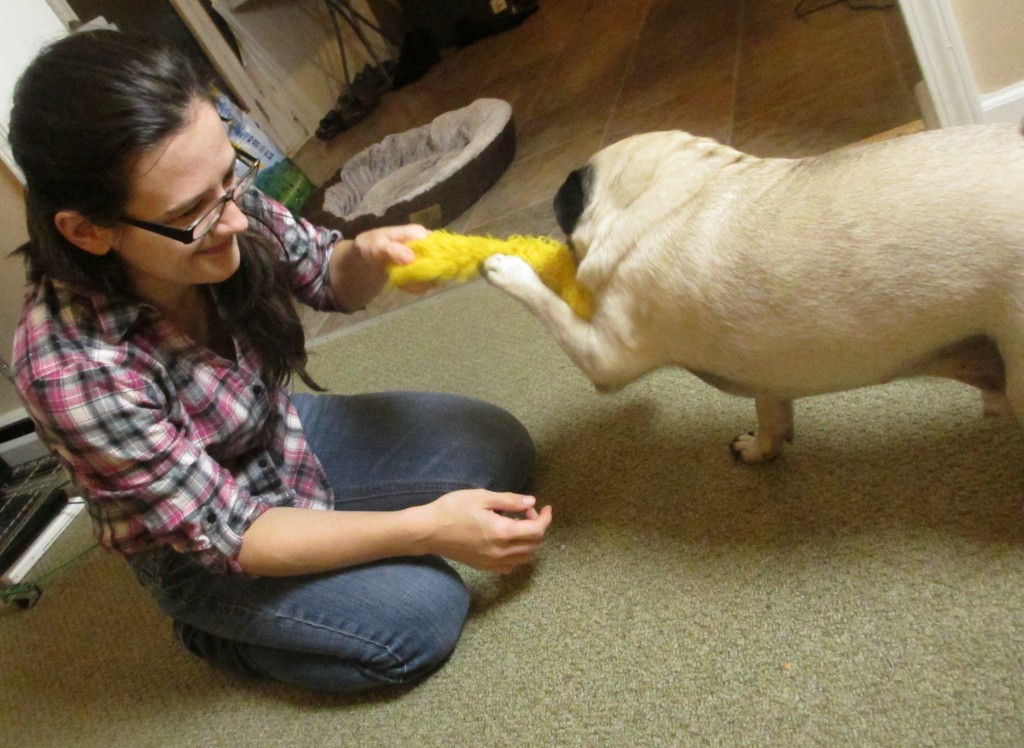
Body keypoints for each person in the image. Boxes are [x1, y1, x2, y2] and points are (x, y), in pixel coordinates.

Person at [8, 29, 552, 693]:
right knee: (422, 616)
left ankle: (333, 537)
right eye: (193, 211)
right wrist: (423, 529)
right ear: (87, 230)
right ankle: (213, 630)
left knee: (497, 449)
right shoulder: (69, 370)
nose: (234, 218)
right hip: (205, 543)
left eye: (229, 176)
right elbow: (235, 532)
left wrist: (367, 255)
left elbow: (327, 275)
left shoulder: (218, 203)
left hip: (276, 434)